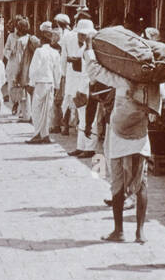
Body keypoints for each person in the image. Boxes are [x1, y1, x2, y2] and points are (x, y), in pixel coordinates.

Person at [101, 79, 159, 244]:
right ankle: (139, 232)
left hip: (119, 140)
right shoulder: (151, 81)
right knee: (141, 185)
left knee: (118, 185)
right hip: (139, 139)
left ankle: (119, 231)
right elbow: (156, 112)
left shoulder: (118, 77)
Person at [27, 29, 62, 144]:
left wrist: (31, 83)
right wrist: (57, 85)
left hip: (40, 83)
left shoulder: (39, 51)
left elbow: (34, 68)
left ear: (41, 40)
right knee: (47, 110)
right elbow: (58, 71)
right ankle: (45, 134)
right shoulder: (55, 53)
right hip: (50, 83)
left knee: (36, 110)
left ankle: (38, 134)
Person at [71, 19, 98, 157]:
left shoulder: (91, 50)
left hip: (89, 88)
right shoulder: (84, 49)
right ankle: (81, 146)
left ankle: (89, 148)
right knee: (82, 118)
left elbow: (92, 70)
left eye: (83, 34)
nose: (80, 36)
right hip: (82, 87)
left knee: (90, 119)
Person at [54, 13, 75, 135]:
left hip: (66, 72)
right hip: (70, 71)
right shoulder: (70, 34)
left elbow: (63, 56)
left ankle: (63, 125)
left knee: (62, 99)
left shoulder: (65, 36)